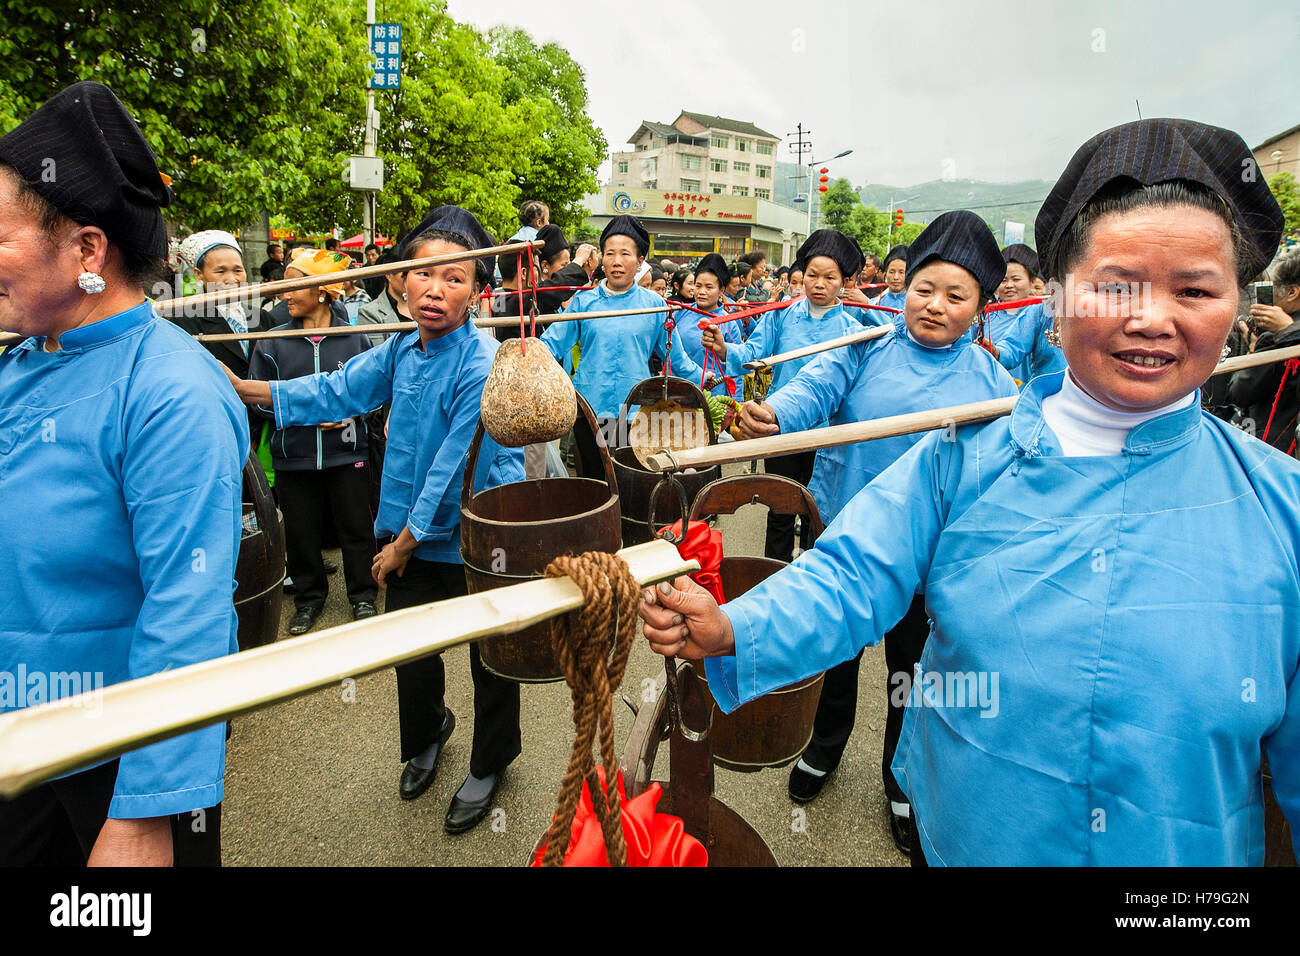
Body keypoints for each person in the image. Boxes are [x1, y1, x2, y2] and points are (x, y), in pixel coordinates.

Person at [640, 118, 1298, 866]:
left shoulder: (1284, 510)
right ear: (1058, 297)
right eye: (1114, 286)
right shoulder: (962, 457)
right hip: (968, 842)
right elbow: (851, 571)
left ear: (1237, 301)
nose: (1150, 318)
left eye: (1194, 289)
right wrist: (734, 627)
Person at [0, 81, 246, 866]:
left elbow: (190, 606)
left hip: (113, 758)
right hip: (19, 742)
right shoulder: (21, 361)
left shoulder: (170, 391)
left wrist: (145, 811)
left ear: (87, 251)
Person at [224, 205, 525, 835]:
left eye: (455, 279)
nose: (435, 291)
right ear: (400, 281)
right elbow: (335, 390)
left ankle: (492, 760)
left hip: (473, 534)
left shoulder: (482, 360)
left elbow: (450, 466)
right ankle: (427, 731)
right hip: (405, 531)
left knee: (491, 654)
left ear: (477, 291)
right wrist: (247, 389)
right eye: (422, 276)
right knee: (412, 650)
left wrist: (403, 544)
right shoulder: (398, 351)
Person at [732, 213, 1018, 851]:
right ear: (902, 288)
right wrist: (774, 415)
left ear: (979, 307)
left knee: (910, 670)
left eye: (955, 295)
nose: (934, 305)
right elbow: (811, 388)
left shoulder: (994, 384)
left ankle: (900, 777)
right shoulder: (862, 347)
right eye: (923, 288)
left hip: (929, 558)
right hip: (847, 539)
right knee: (837, 651)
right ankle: (824, 747)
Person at [703, 230, 868, 561]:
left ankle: (811, 574)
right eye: (812, 275)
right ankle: (771, 574)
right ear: (802, 276)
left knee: (817, 512)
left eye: (829, 277)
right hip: (778, 426)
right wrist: (724, 348)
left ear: (843, 282)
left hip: (827, 434)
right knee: (778, 508)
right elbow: (753, 352)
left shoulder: (855, 326)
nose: (819, 284)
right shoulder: (780, 314)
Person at [247, 248, 377, 636]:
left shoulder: (353, 338)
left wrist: (352, 415)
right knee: (301, 533)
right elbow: (258, 401)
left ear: (321, 290)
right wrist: (306, 415)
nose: (286, 292)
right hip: (295, 458)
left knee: (356, 526)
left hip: (347, 452)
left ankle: (363, 595)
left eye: (295, 283)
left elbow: (374, 393)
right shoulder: (271, 342)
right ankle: (308, 600)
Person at [539, 214, 707, 425]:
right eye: (610, 253)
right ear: (602, 258)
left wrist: (704, 377)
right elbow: (551, 344)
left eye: (625, 254)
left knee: (627, 457)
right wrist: (523, 356)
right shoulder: (584, 302)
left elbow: (675, 357)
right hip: (588, 409)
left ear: (639, 261)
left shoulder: (655, 305)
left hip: (635, 411)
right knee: (591, 459)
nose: (616, 262)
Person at [1228, 248, 1300, 452]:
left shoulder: (1276, 336)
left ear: (1292, 292)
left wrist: (1259, 347)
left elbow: (1241, 393)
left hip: (1274, 449)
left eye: (1274, 288)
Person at [986, 243, 1066, 385]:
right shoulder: (987, 315)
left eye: (1016, 279)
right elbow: (1011, 348)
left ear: (1032, 282)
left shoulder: (1041, 312)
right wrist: (994, 352)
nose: (1009, 285)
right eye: (1003, 280)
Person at [678, 252, 743, 398]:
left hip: (713, 397)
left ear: (721, 290)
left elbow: (736, 367)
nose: (701, 292)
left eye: (709, 287)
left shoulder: (728, 323)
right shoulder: (681, 313)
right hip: (679, 392)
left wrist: (736, 403)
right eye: (698, 285)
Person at [355, 249, 411, 347]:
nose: (410, 280)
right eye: (404, 276)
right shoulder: (369, 313)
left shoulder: (426, 305)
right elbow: (376, 356)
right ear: (389, 275)